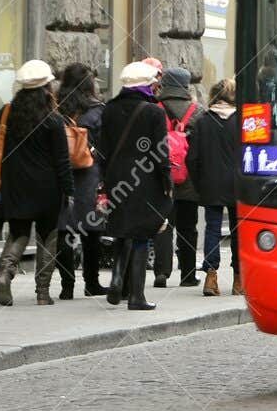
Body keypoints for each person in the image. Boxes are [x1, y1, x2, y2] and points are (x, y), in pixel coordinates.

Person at [0, 59, 71, 307]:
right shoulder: (53, 119)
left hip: (15, 184)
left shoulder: (7, 112)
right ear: (47, 88)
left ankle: (5, 273)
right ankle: (43, 293)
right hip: (48, 187)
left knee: (18, 232)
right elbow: (62, 160)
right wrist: (69, 190)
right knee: (48, 237)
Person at [98, 61, 171, 312]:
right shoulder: (154, 112)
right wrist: (167, 182)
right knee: (141, 233)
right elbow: (161, 151)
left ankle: (117, 279)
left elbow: (102, 150)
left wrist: (105, 181)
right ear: (147, 85)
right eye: (154, 83)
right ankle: (137, 296)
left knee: (122, 229)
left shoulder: (109, 109)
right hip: (145, 179)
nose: (156, 87)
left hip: (116, 176)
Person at [186, 78, 242, 297]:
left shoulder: (203, 121)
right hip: (238, 185)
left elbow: (192, 158)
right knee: (238, 232)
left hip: (210, 184)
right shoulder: (241, 121)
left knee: (212, 229)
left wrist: (200, 183)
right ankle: (239, 280)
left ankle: (210, 276)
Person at [55, 63, 107, 297]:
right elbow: (106, 144)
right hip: (89, 173)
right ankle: (91, 283)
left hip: (60, 172)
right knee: (92, 229)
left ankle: (67, 286)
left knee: (64, 229)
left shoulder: (55, 107)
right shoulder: (97, 110)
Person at [154, 66, 201, 288]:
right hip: (190, 181)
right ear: (185, 86)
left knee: (164, 225)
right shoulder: (197, 111)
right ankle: (188, 275)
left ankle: (161, 272)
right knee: (188, 228)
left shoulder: (155, 109)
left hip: (162, 179)